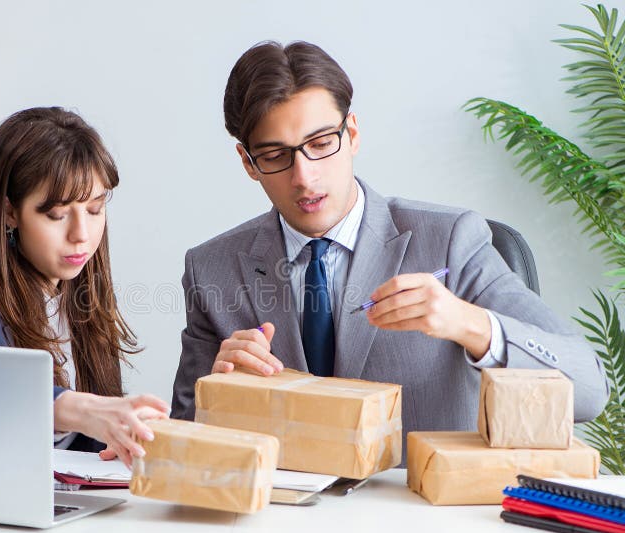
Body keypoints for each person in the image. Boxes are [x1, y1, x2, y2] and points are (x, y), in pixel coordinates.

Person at [170, 41, 609, 460]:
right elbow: (183, 443)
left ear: (352, 133)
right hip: (274, 521)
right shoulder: (212, 269)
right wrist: (219, 391)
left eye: (321, 144)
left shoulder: (452, 240)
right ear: (248, 163)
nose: (304, 177)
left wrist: (471, 324)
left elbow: (589, 389)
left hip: (421, 517)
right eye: (276, 155)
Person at [0, 107, 168, 467]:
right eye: (57, 215)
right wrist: (77, 408)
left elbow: (92, 448)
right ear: (10, 212)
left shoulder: (82, 286)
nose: (81, 234)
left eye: (95, 209)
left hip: (79, 498)